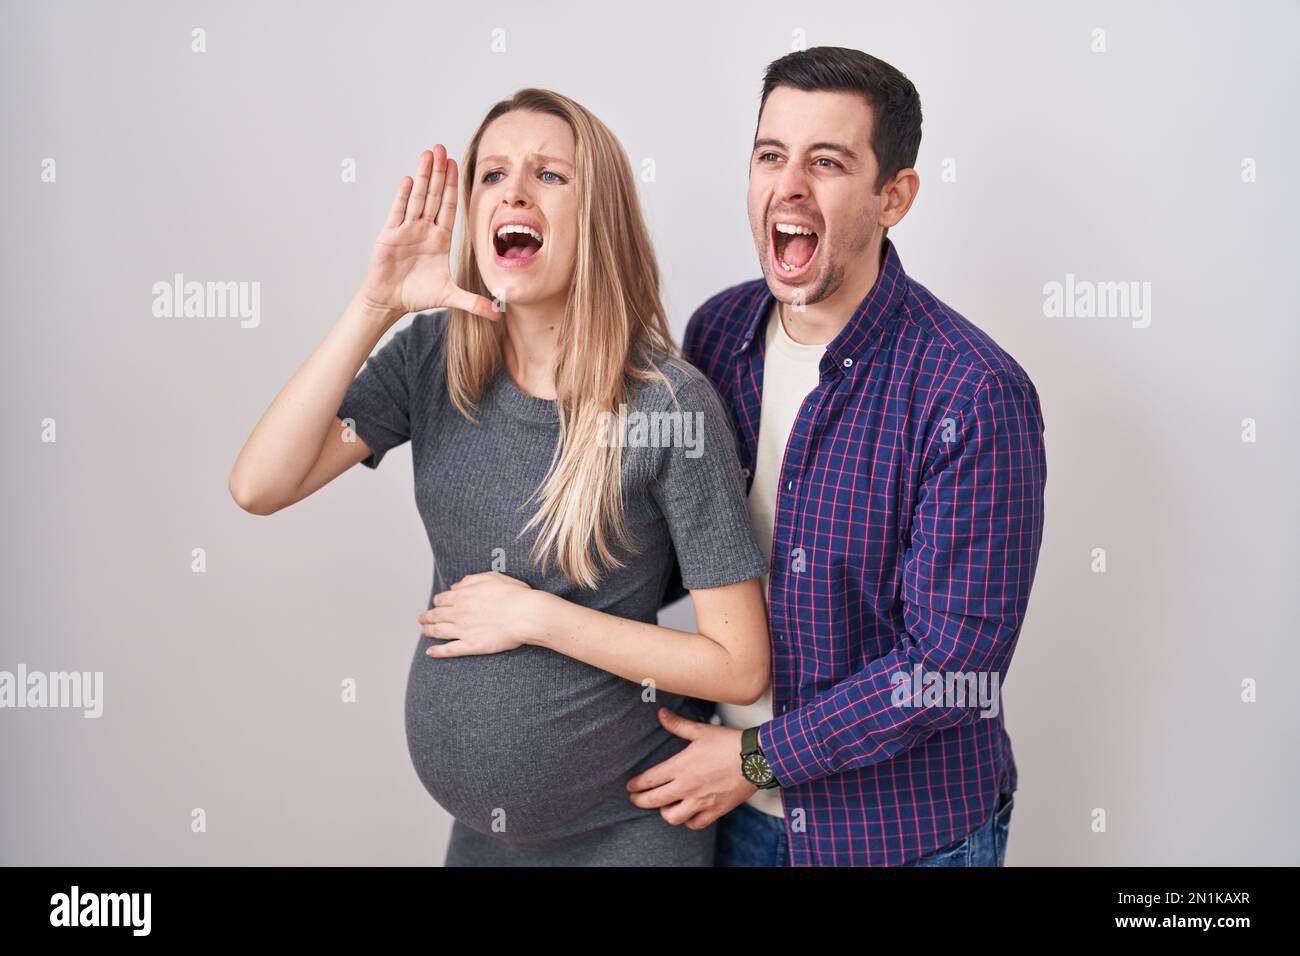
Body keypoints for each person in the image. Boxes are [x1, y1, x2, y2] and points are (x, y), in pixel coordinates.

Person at [227, 88, 770, 866]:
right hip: (486, 834)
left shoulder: (668, 406)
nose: (513, 190)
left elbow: (740, 664)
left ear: (598, 217)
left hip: (628, 826)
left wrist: (535, 617)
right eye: (492, 174)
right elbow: (259, 485)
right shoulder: (435, 358)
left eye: (550, 175)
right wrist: (375, 304)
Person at [633, 46, 1048, 867]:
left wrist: (753, 761)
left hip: (901, 837)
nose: (789, 185)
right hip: (734, 817)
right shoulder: (717, 334)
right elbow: (695, 553)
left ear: (893, 195)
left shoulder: (973, 393)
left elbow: (947, 664)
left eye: (827, 162)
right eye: (770, 155)